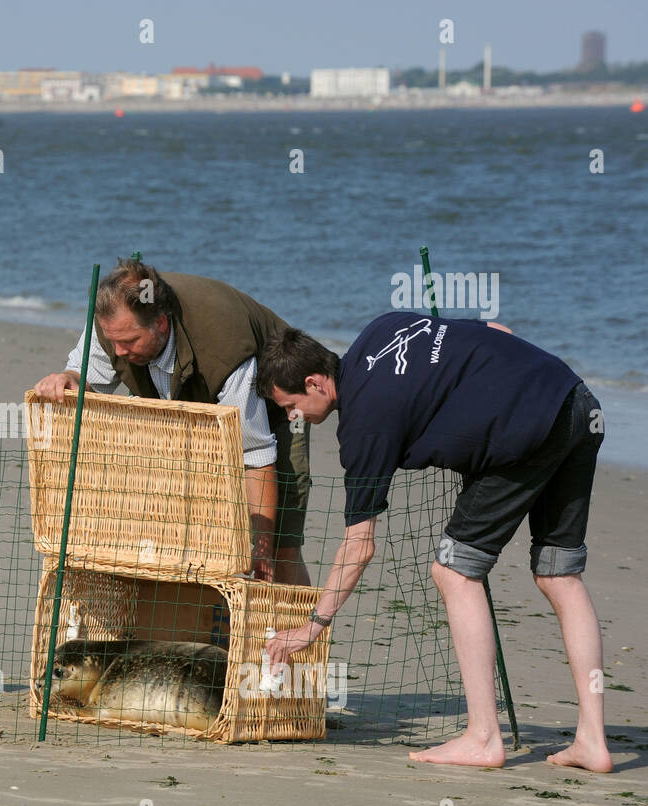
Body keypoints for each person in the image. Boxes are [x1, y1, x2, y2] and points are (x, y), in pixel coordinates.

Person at [257, 312, 611, 772]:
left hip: (528, 433)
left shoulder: (364, 426)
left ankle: (483, 737)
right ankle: (592, 740)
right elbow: (497, 332)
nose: (293, 417)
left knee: (454, 570)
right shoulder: (382, 328)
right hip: (578, 403)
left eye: (290, 407)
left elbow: (359, 544)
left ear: (316, 382)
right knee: (560, 575)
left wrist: (313, 626)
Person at [33, 258, 310, 584]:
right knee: (195, 538)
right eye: (113, 341)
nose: (119, 352)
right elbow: (84, 378)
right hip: (197, 407)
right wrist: (66, 379)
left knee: (280, 550)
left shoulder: (225, 350)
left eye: (130, 342)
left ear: (161, 324)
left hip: (284, 407)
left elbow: (256, 456)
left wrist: (260, 548)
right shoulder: (113, 324)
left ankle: (303, 631)